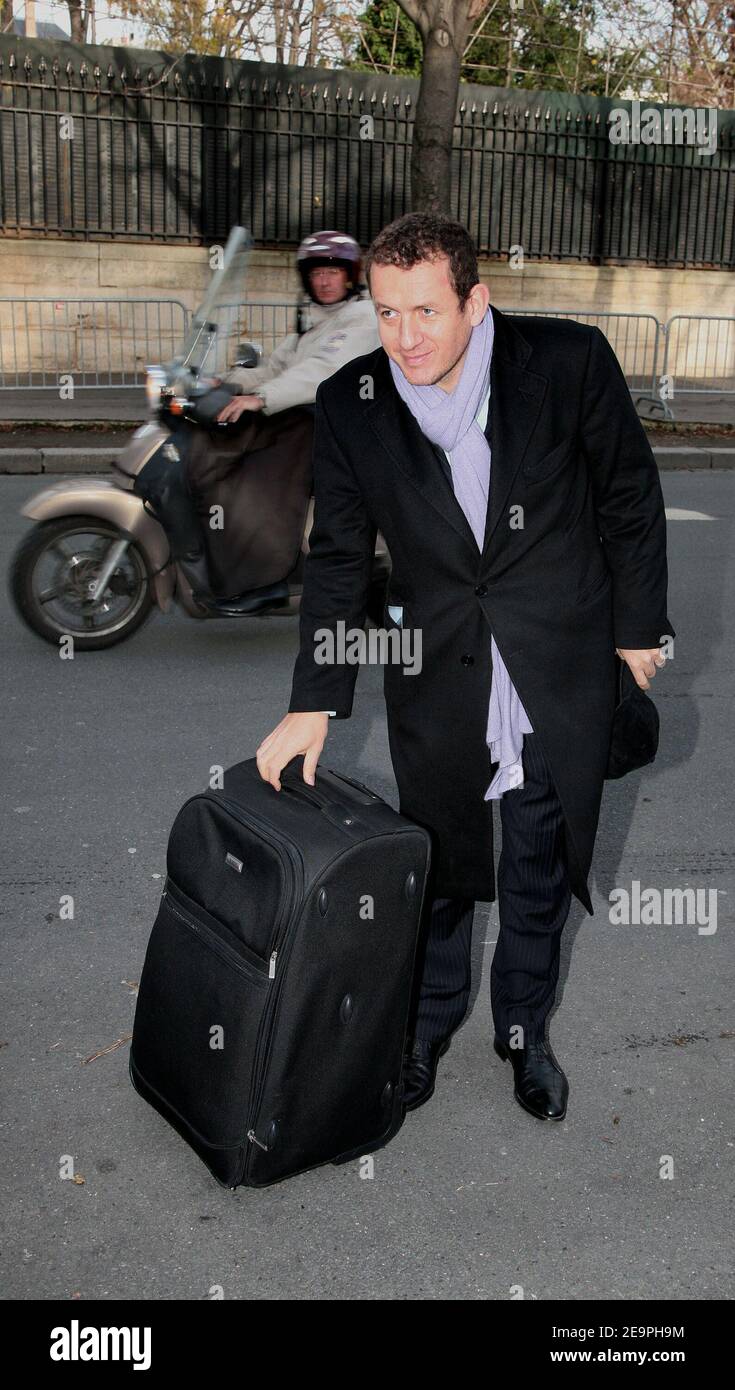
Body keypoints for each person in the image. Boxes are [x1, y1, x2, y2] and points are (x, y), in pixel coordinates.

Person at [254, 212, 675, 1123]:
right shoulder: (351, 403)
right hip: (437, 670)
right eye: (386, 312)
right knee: (438, 867)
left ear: (474, 302)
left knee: (535, 863)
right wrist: (313, 704)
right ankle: (423, 1030)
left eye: (426, 313)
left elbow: (629, 497)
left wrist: (639, 628)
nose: (404, 338)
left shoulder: (565, 364)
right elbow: (335, 560)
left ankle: (523, 1032)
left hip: (554, 660)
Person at [158, 230, 379, 613]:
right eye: (316, 272)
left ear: (350, 275)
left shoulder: (361, 318)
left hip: (337, 434)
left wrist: (259, 399)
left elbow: (322, 371)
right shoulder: (317, 320)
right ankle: (227, 557)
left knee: (257, 477)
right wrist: (225, 383)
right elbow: (276, 367)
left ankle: (263, 577)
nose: (324, 280)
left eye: (333, 271)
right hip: (307, 423)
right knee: (222, 451)